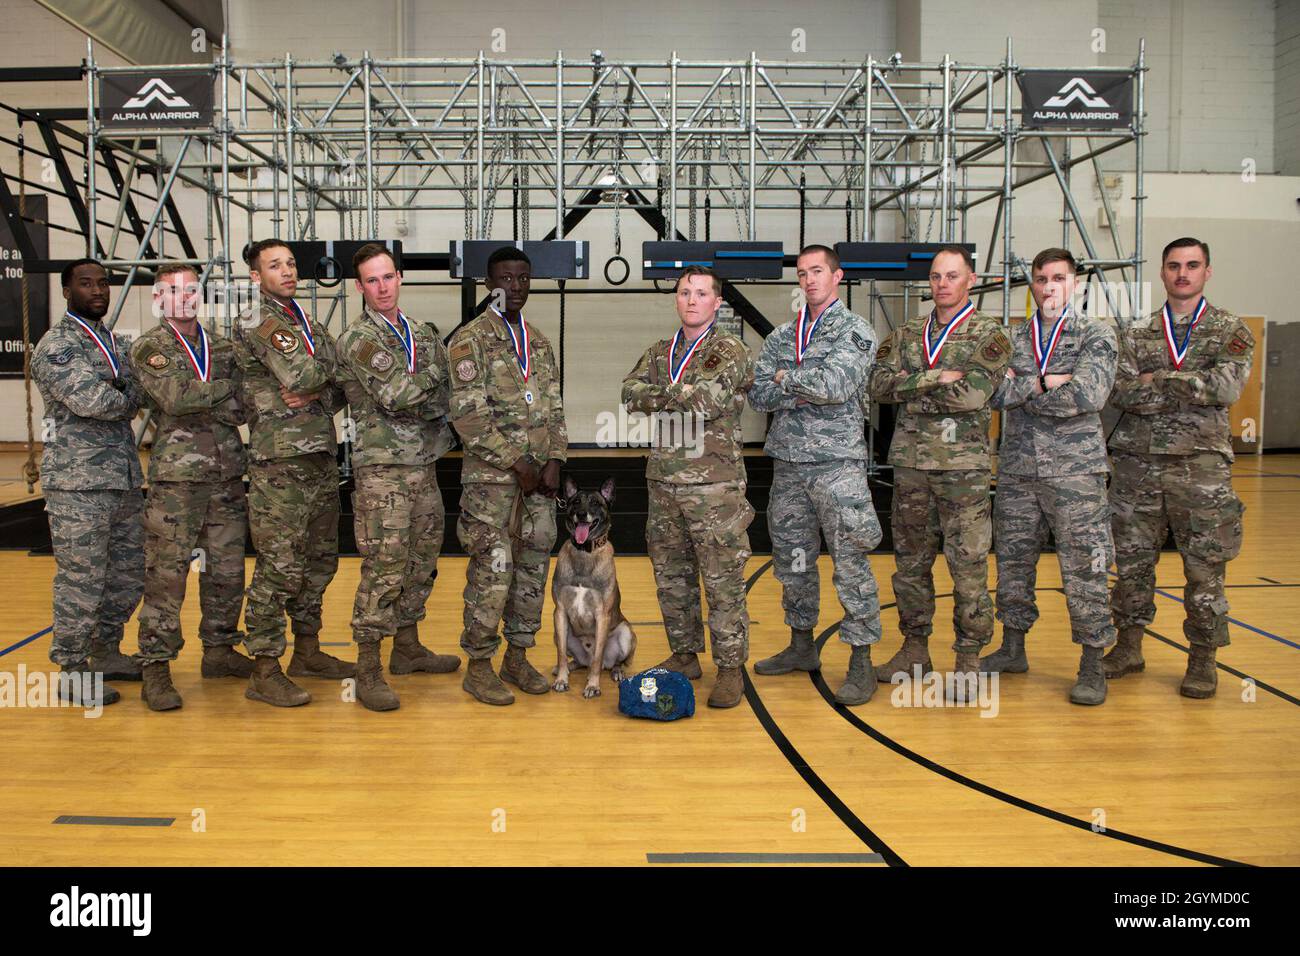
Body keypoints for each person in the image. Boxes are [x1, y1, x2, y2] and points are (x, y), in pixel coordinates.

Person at [1106, 237, 1254, 698]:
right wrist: (1192, 383)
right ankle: (1129, 646)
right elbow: (1123, 392)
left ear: (1207, 271)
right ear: (1163, 272)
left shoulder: (1231, 330)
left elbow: (1227, 388)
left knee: (1204, 568)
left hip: (1201, 469)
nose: (1182, 274)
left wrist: (1160, 379)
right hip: (1138, 467)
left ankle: (1202, 659)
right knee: (1131, 564)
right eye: (1174, 266)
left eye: (1192, 265)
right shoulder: (1136, 334)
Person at [867, 246, 1010, 694]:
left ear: (970, 280)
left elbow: (973, 395)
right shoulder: (907, 333)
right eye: (935, 276)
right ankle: (915, 649)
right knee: (910, 565)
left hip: (962, 470)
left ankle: (968, 656)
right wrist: (935, 378)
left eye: (952, 276)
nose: (942, 284)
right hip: (910, 467)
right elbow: (876, 384)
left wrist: (911, 387)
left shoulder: (991, 334)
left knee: (967, 566)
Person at [748, 245, 883, 705]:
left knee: (851, 562)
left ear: (838, 276)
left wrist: (788, 380)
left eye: (818, 271)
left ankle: (861, 660)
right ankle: (801, 645)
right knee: (794, 560)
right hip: (788, 466)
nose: (809, 280)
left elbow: (837, 385)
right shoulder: (784, 335)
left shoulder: (857, 331)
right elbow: (758, 394)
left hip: (837, 467)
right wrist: (795, 383)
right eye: (802, 273)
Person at [984, 248, 1118, 705]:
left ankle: (1093, 663)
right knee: (1013, 563)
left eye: (1058, 278)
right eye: (1041, 278)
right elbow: (994, 392)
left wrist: (1026, 390)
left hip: (1075, 474)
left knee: (1085, 568)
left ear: (1075, 283)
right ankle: (1013, 647)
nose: (1048, 287)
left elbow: (1089, 395)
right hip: (1019, 471)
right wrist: (1046, 381)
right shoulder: (1012, 338)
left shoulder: (1096, 335)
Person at [622, 265, 756, 708]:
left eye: (701, 293)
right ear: (676, 299)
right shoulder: (661, 351)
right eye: (684, 292)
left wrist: (664, 394)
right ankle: (684, 655)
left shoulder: (730, 349)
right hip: (663, 484)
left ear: (717, 302)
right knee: (671, 577)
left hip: (714, 489)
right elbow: (629, 393)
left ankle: (730, 668)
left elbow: (708, 401)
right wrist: (678, 392)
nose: (691, 300)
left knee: (722, 580)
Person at [334, 243, 458, 711]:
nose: (382, 287)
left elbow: (442, 391)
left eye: (388, 277)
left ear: (400, 277)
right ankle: (368, 667)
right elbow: (398, 393)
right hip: (382, 470)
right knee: (383, 567)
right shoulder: (358, 339)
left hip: (425, 464)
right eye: (371, 280)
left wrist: (426, 389)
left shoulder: (421, 333)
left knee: (422, 559)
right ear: (360, 286)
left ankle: (407, 646)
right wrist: (430, 385)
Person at [233, 239, 353, 707]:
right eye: (274, 265)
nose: (286, 272)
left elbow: (341, 383)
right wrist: (321, 377)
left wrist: (318, 383)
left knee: (320, 561)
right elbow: (306, 376)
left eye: (290, 264)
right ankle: (264, 668)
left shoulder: (308, 323)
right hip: (279, 461)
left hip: (320, 457)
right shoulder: (257, 319)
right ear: (254, 276)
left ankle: (307, 652)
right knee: (279, 566)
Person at [129, 263, 253, 710]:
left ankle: (219, 651)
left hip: (225, 476)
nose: (185, 298)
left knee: (227, 571)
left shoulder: (221, 346)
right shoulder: (149, 346)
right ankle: (156, 667)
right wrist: (221, 391)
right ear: (159, 297)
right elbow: (174, 399)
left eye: (192, 290)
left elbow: (244, 408)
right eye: (174, 291)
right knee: (167, 574)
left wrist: (208, 392)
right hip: (176, 482)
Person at [448, 247, 567, 705]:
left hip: (539, 484)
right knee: (493, 573)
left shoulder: (537, 341)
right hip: (493, 485)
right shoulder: (469, 341)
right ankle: (479, 666)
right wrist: (517, 462)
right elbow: (468, 416)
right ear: (487, 284)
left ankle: (517, 655)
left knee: (533, 570)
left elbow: (554, 405)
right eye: (505, 278)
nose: (515, 287)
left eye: (522, 278)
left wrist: (554, 458)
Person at [31, 258, 145, 706]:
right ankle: (73, 667)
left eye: (102, 283)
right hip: (77, 486)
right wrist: (121, 393)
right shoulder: (57, 345)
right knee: (82, 579)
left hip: (120, 478)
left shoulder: (112, 342)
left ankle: (105, 651)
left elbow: (135, 393)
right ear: (66, 291)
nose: (97, 290)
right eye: (85, 283)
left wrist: (122, 392)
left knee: (127, 574)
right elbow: (93, 400)